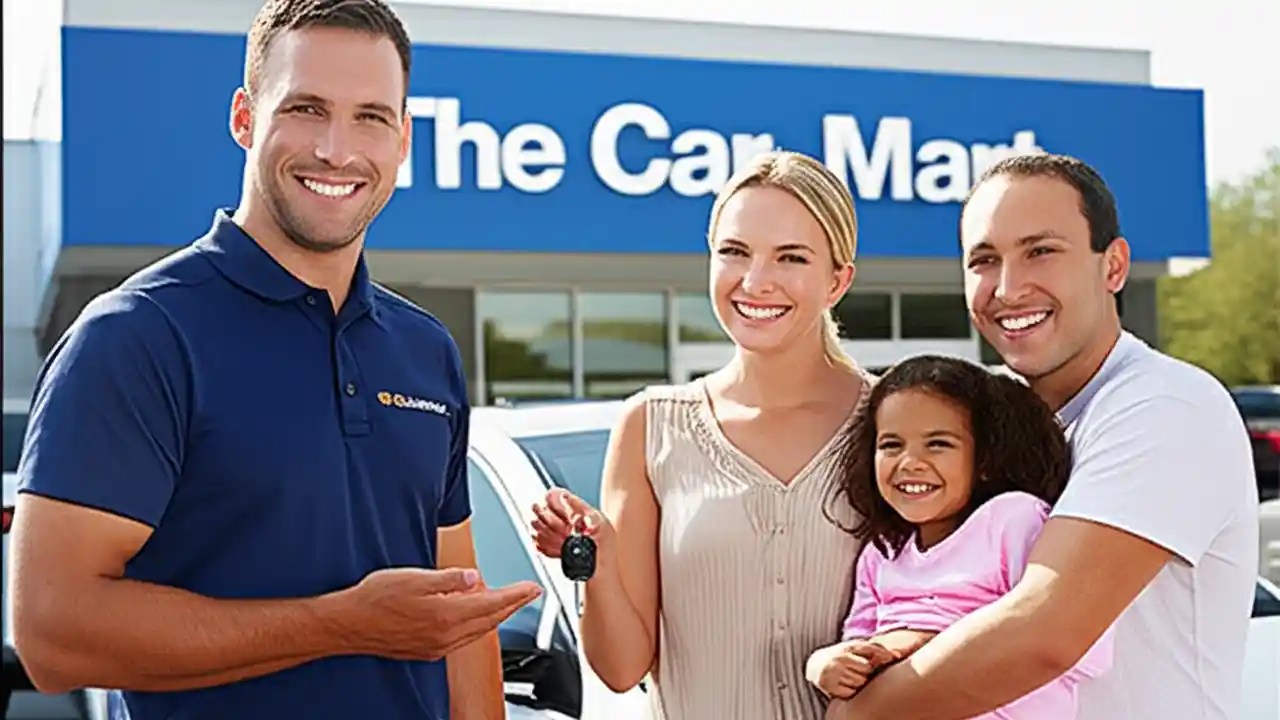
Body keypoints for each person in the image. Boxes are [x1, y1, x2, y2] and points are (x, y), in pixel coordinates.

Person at [9, 1, 541, 718]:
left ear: (405, 139)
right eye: (306, 108)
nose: (336, 149)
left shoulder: (425, 353)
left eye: (371, 118)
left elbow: (456, 617)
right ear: (244, 118)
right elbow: (53, 635)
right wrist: (339, 624)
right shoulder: (139, 336)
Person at [830, 153, 1259, 720]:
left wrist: (853, 713)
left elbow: (1044, 633)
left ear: (1114, 266)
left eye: (1041, 251)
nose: (1007, 288)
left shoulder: (1163, 405)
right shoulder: (988, 417)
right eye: (984, 260)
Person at [530, 149, 875, 719]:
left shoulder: (894, 422)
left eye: (791, 257)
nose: (756, 281)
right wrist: (603, 561)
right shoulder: (650, 426)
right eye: (734, 252)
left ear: (838, 281)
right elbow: (620, 671)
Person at [806, 355, 1112, 717]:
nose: (910, 462)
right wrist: (823, 666)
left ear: (984, 459)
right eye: (891, 445)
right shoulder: (882, 551)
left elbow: (1074, 647)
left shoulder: (1012, 518)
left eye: (937, 444)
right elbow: (858, 644)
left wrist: (916, 647)